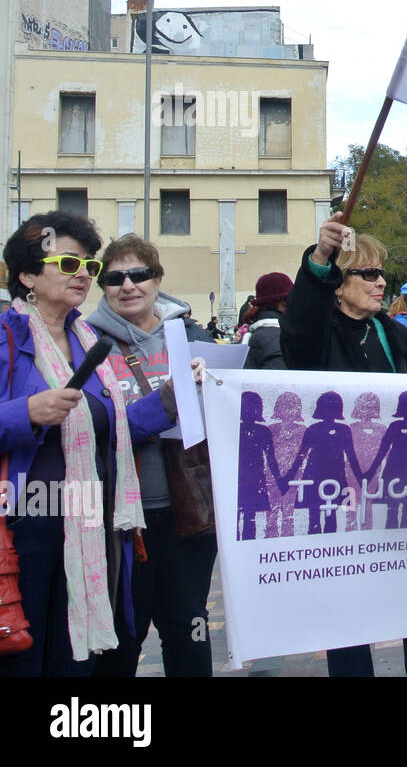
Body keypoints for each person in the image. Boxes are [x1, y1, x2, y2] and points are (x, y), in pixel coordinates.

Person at [0, 212, 180, 676]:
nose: (83, 273)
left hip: (89, 522)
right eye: (67, 262)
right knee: (22, 658)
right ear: (26, 276)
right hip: (25, 525)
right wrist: (26, 412)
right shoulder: (5, 338)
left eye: (88, 266)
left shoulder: (87, 340)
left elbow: (112, 427)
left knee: (73, 660)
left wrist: (175, 396)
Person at [279, 211, 407, 677]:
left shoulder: (393, 332)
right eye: (367, 273)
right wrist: (320, 258)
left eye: (382, 273)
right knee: (348, 603)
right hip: (341, 493)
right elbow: (298, 326)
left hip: (401, 488)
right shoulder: (317, 333)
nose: (379, 283)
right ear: (338, 282)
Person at [83, 234, 219, 678]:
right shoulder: (86, 343)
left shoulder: (191, 335)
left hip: (189, 516)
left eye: (139, 275)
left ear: (157, 280)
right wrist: (167, 399)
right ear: (103, 284)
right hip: (121, 521)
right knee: (123, 638)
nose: (128, 285)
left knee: (189, 629)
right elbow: (94, 425)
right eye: (115, 276)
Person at [240, 272, 292, 370]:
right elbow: (278, 382)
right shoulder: (276, 337)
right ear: (283, 304)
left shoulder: (260, 332)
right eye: (293, 300)